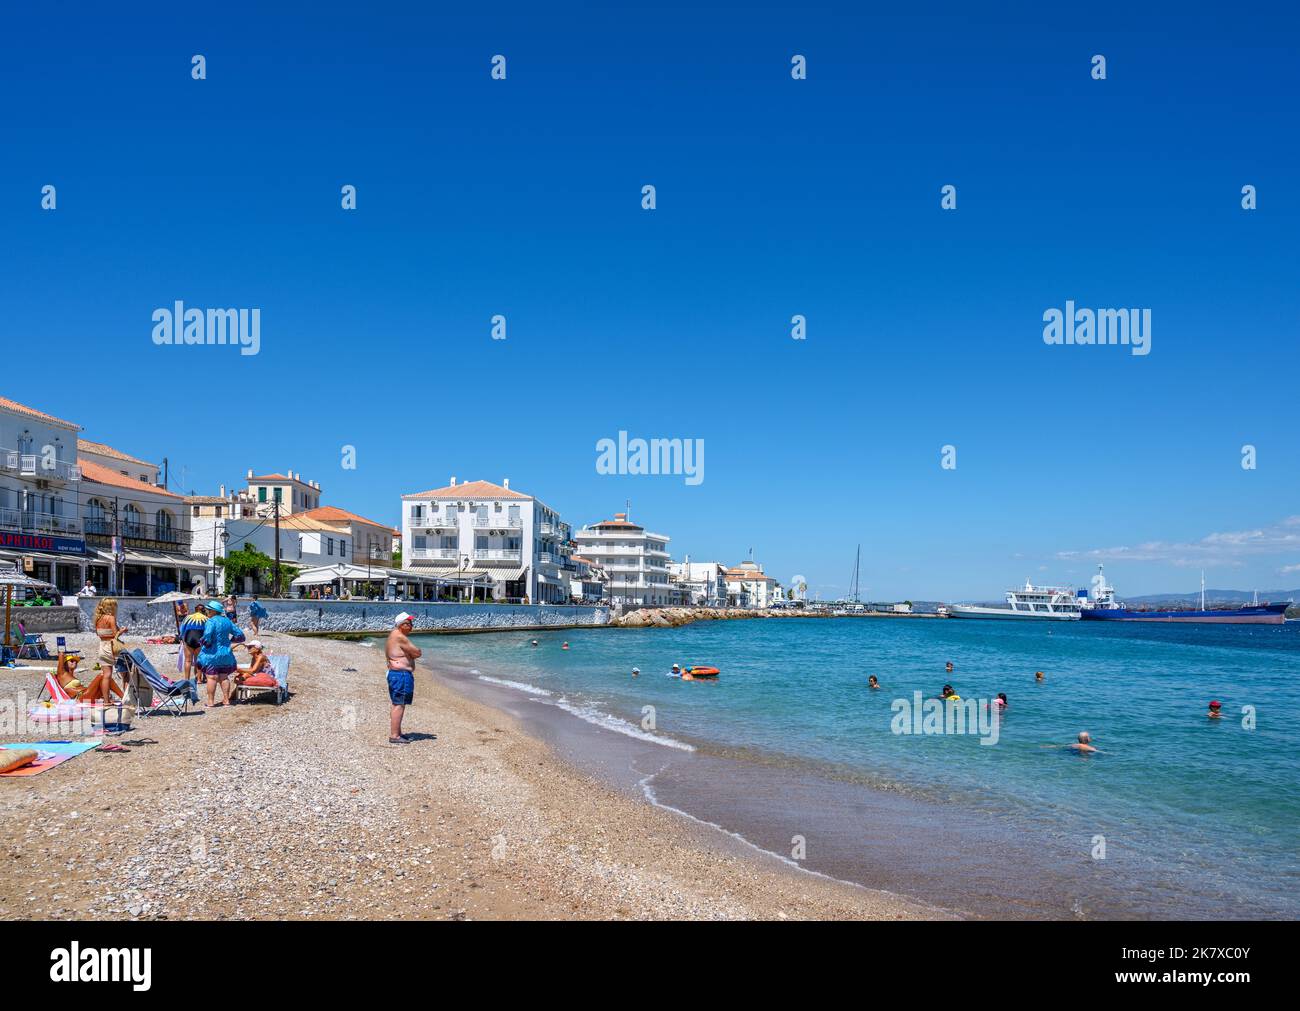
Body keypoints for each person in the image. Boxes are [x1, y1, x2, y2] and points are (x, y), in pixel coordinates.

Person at [198, 600, 245, 707]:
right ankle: (226, 701)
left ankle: (210, 702)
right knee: (224, 677)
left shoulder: (210, 621)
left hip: (212, 653)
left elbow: (207, 636)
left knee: (211, 677)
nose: (207, 611)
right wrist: (229, 642)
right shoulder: (227, 621)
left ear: (213, 611)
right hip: (226, 653)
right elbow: (240, 635)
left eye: (208, 610)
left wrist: (205, 643)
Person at [386, 612, 421, 744]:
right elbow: (417, 652)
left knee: (398, 703)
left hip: (395, 673)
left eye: (411, 623)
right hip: (400, 674)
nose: (412, 626)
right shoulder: (400, 637)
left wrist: (409, 654)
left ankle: (397, 732)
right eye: (409, 623)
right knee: (399, 705)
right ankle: (395, 735)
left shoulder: (393, 635)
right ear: (402, 625)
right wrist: (412, 654)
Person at [54, 647, 124, 706]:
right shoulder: (62, 674)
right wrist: (61, 649)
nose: (75, 662)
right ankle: (123, 697)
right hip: (81, 698)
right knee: (102, 676)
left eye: (76, 661)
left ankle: (120, 697)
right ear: (65, 664)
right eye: (72, 661)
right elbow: (61, 655)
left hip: (87, 695)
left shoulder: (72, 676)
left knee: (105, 680)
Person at [179, 603, 209, 682]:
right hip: (199, 638)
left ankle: (186, 680)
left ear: (195, 610)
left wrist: (182, 640)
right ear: (203, 610)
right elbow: (208, 632)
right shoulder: (206, 619)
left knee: (188, 660)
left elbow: (182, 630)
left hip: (189, 637)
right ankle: (199, 679)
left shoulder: (187, 618)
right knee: (198, 660)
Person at [93, 598, 125, 671]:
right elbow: (115, 635)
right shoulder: (111, 618)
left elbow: (99, 634)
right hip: (111, 647)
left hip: (102, 647)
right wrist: (122, 631)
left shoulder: (98, 619)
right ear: (111, 607)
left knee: (106, 674)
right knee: (124, 671)